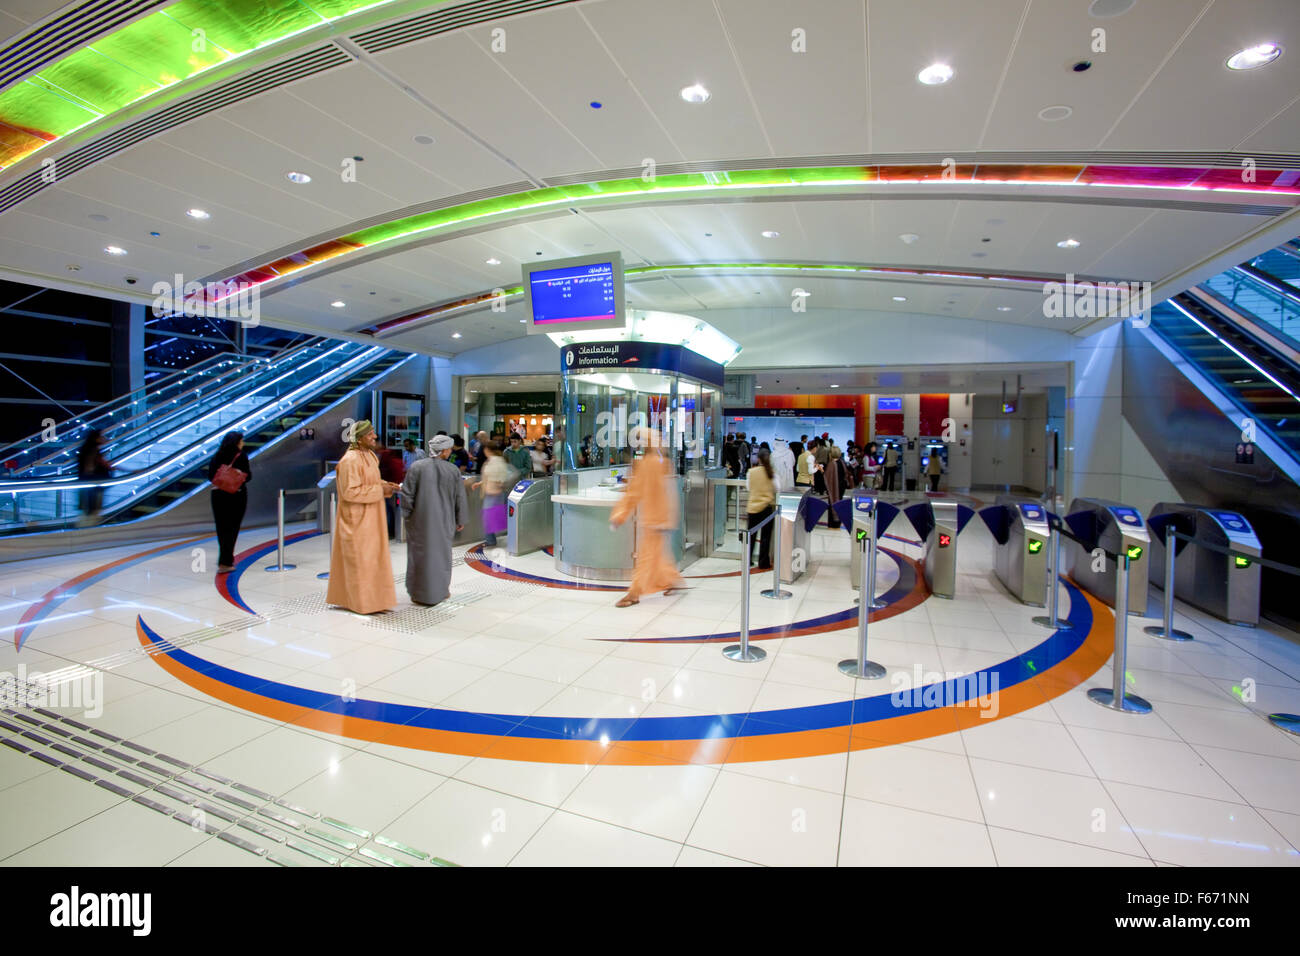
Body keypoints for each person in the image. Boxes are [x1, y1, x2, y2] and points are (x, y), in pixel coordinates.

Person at [327, 420, 398, 614]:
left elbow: (371, 481)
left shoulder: (371, 456)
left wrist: (386, 485)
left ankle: (375, 601)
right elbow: (350, 492)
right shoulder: (349, 460)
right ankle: (360, 602)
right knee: (360, 562)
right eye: (370, 434)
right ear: (358, 439)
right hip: (356, 521)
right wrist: (379, 489)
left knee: (374, 561)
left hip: (373, 518)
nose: (374, 437)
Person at [610, 428, 684, 607]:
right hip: (662, 517)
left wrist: (620, 514)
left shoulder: (646, 465)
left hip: (653, 519)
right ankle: (672, 580)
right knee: (657, 555)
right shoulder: (664, 462)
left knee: (645, 557)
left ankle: (634, 593)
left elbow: (633, 492)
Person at [401, 434, 467, 606]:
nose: (450, 451)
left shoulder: (416, 467)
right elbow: (460, 498)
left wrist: (407, 516)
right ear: (444, 450)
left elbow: (407, 495)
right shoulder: (453, 470)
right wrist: (460, 520)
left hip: (419, 521)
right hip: (445, 521)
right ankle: (441, 591)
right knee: (442, 556)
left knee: (419, 557)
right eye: (449, 449)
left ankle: (418, 593)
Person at [207, 431, 249, 571]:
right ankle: (225, 562)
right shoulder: (241, 456)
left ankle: (225, 559)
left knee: (222, 528)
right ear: (237, 442)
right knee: (232, 528)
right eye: (242, 441)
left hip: (218, 495)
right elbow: (248, 476)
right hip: (236, 495)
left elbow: (210, 476)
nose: (243, 444)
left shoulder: (217, 455)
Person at [471, 440, 510, 547]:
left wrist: (495, 490)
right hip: (492, 493)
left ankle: (491, 541)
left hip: (494, 494)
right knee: (491, 519)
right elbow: (490, 476)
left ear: (487, 450)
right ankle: (491, 540)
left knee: (489, 519)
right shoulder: (494, 460)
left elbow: (499, 479)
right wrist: (480, 483)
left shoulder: (495, 461)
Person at [746, 447, 777, 568]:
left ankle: (748, 560)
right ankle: (763, 562)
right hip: (767, 507)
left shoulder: (751, 472)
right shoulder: (771, 473)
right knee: (766, 536)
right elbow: (777, 488)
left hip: (753, 507)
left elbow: (749, 487)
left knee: (751, 536)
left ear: (758, 459)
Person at [77, 428, 111, 525]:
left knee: (88, 507)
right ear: (95, 438)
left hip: (85, 483)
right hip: (95, 483)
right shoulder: (93, 450)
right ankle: (91, 526)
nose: (104, 438)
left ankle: (86, 525)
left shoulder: (86, 449)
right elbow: (91, 467)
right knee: (94, 507)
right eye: (101, 436)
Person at [378, 440, 406, 539]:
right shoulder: (397, 461)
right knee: (394, 511)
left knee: (389, 511)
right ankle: (395, 532)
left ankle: (390, 532)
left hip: (389, 489)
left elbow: (384, 473)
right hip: (396, 488)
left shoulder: (385, 459)